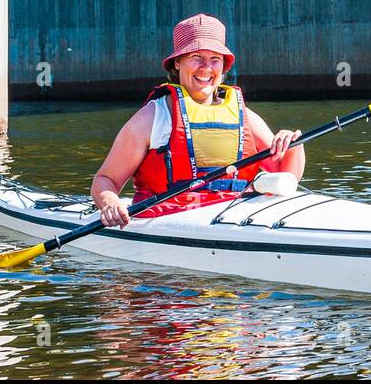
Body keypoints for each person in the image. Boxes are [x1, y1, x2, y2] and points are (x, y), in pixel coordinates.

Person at [90, 14, 303, 227]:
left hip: (232, 216)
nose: (206, 67)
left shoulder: (245, 117)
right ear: (177, 63)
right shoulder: (152, 119)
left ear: (223, 66)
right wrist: (110, 203)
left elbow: (286, 177)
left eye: (214, 59)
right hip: (166, 220)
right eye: (196, 57)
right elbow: (105, 180)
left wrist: (292, 144)